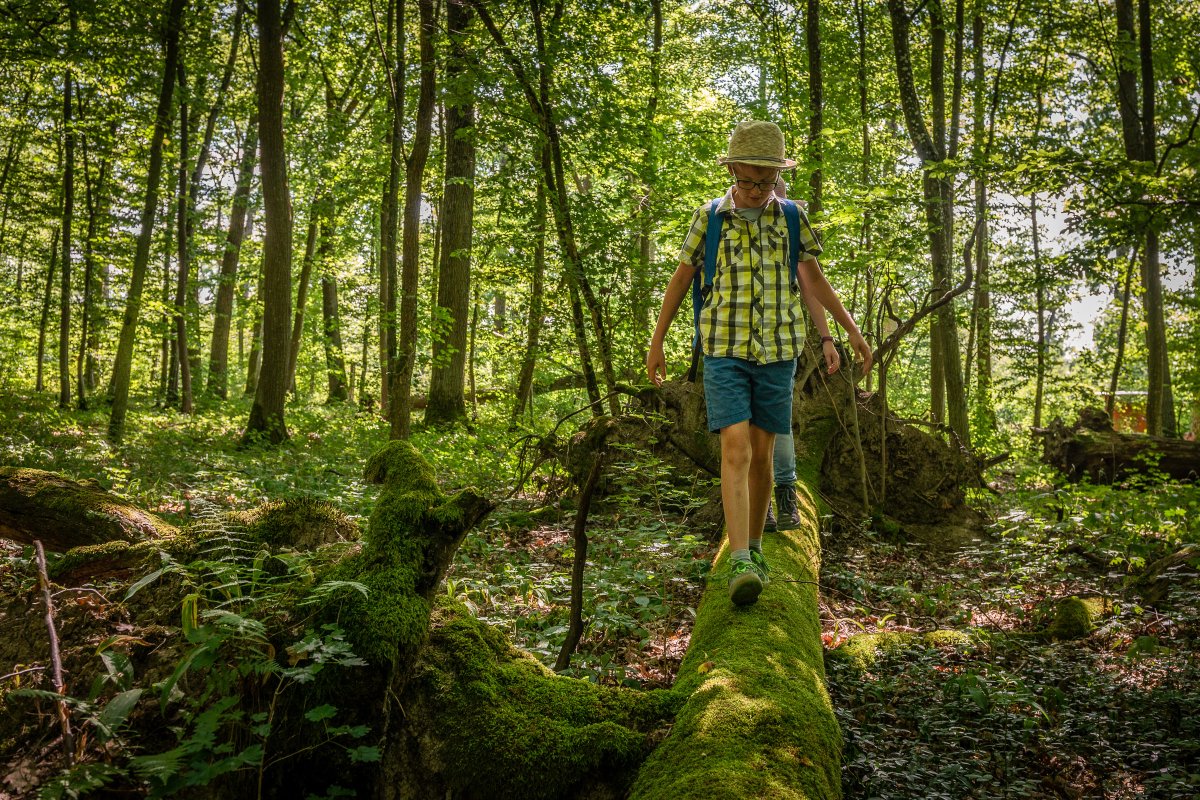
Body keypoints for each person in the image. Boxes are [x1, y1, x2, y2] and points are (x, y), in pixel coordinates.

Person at [646, 120, 871, 606]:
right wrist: (657, 339)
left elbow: (814, 282)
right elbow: (681, 279)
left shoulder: (790, 217)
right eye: (746, 180)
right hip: (724, 348)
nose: (753, 190)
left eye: (764, 182)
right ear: (730, 171)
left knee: (765, 455)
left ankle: (757, 546)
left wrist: (848, 331)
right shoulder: (709, 218)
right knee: (735, 448)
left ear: (776, 179)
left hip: (778, 350)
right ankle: (741, 558)